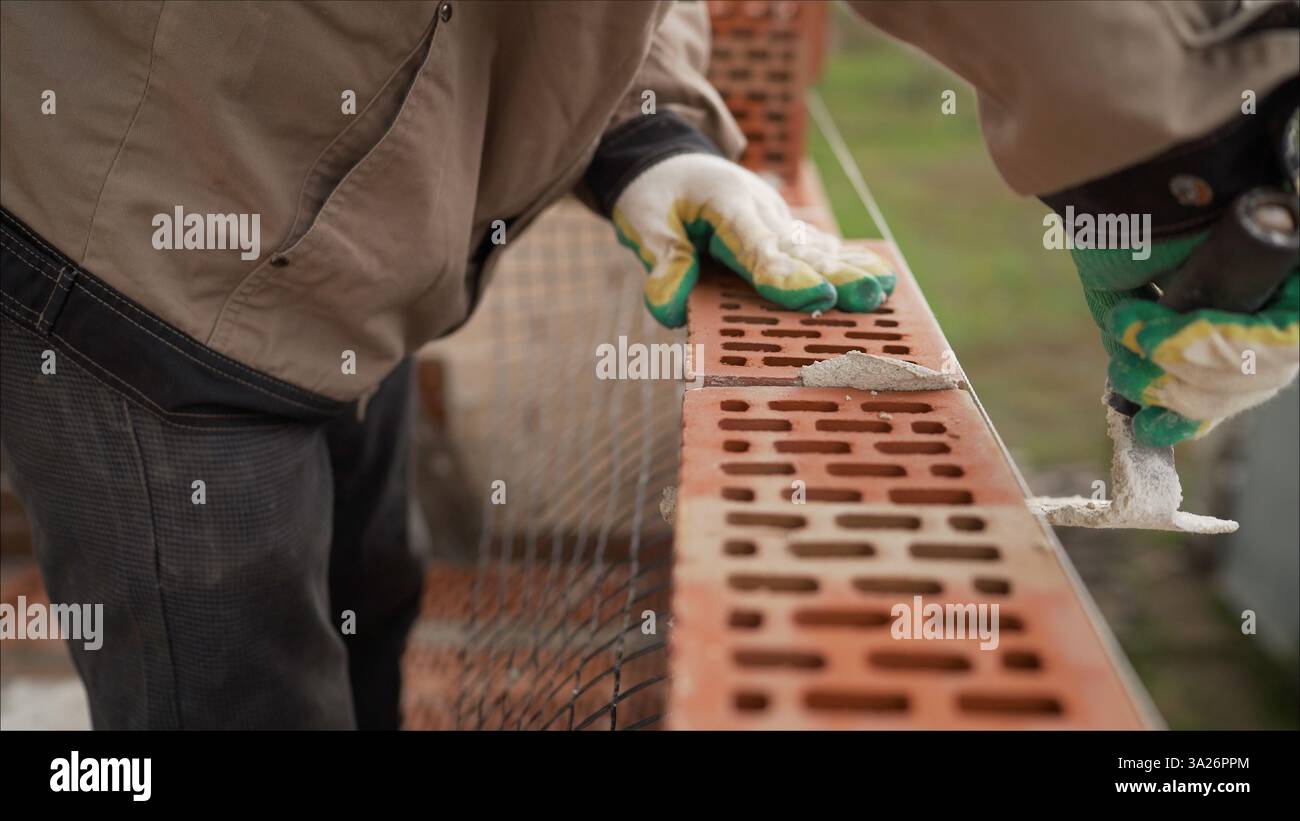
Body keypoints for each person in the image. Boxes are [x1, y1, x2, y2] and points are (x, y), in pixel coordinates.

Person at [0, 0, 1294, 730]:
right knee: (235, 697)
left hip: (346, 239)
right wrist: (1201, 134)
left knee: (367, 595)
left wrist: (646, 133)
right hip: (132, 242)